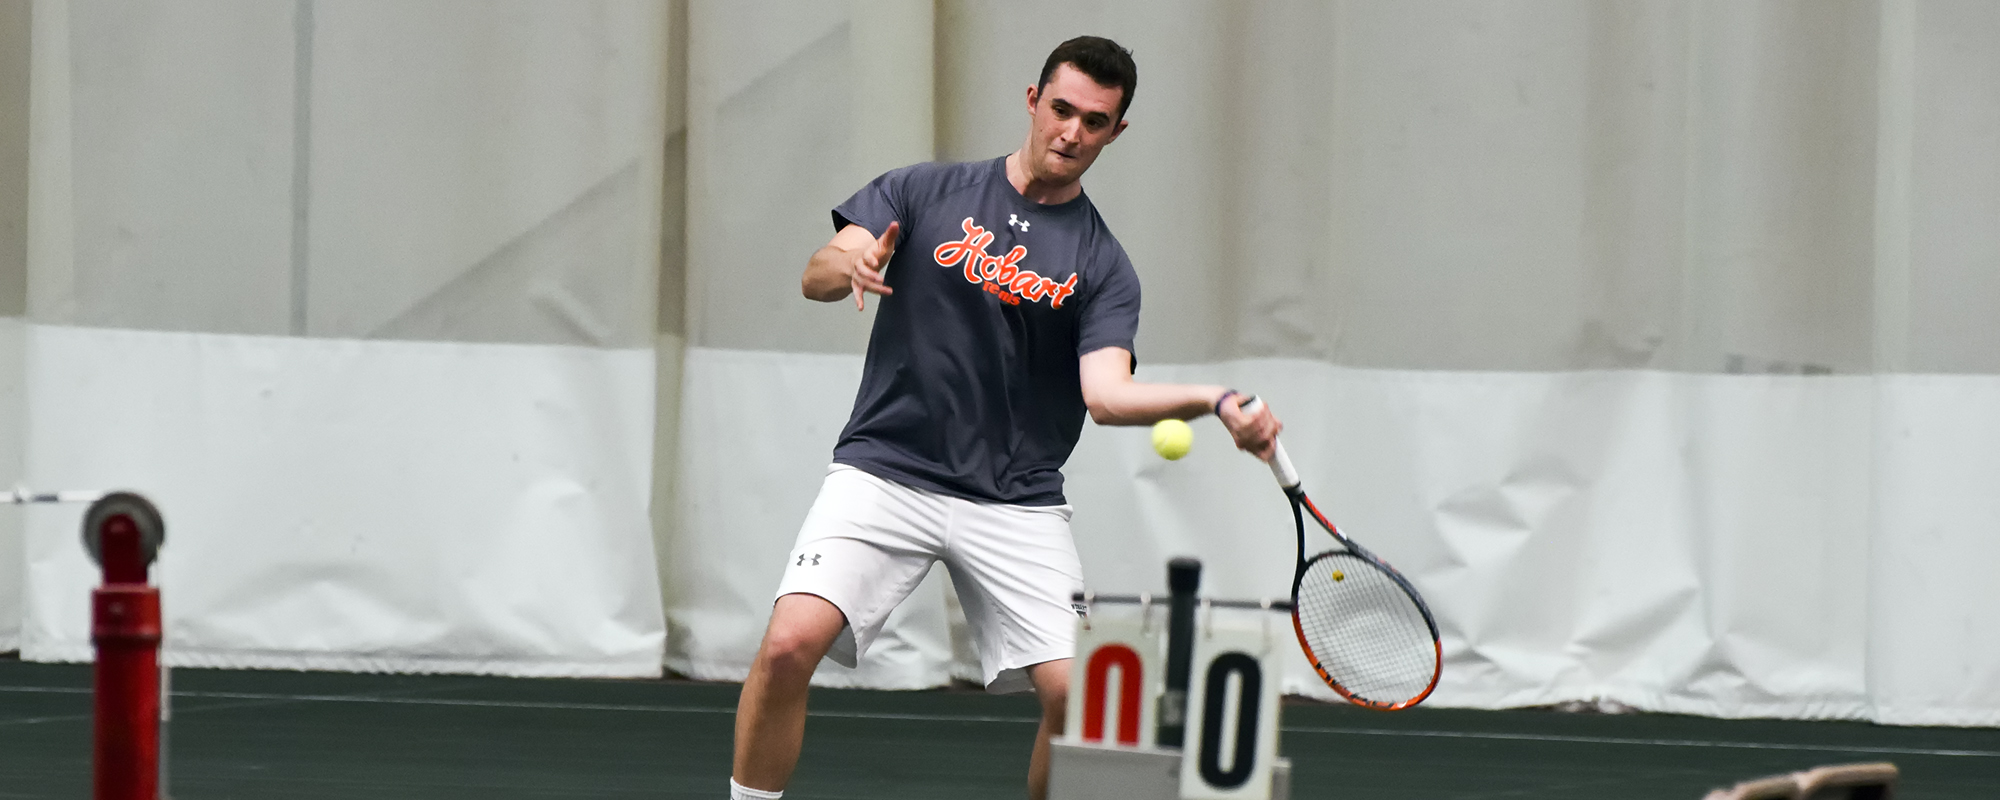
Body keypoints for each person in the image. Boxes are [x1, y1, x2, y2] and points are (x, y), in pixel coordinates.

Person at [728, 35, 1282, 800]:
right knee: (789, 647)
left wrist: (1216, 401)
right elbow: (817, 273)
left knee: (1077, 701)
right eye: (1061, 110)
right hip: (887, 473)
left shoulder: (1105, 265)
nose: (1071, 133)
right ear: (1032, 100)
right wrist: (850, 263)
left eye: (1094, 122)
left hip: (1016, 501)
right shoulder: (923, 191)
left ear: (1115, 133)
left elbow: (1108, 394)